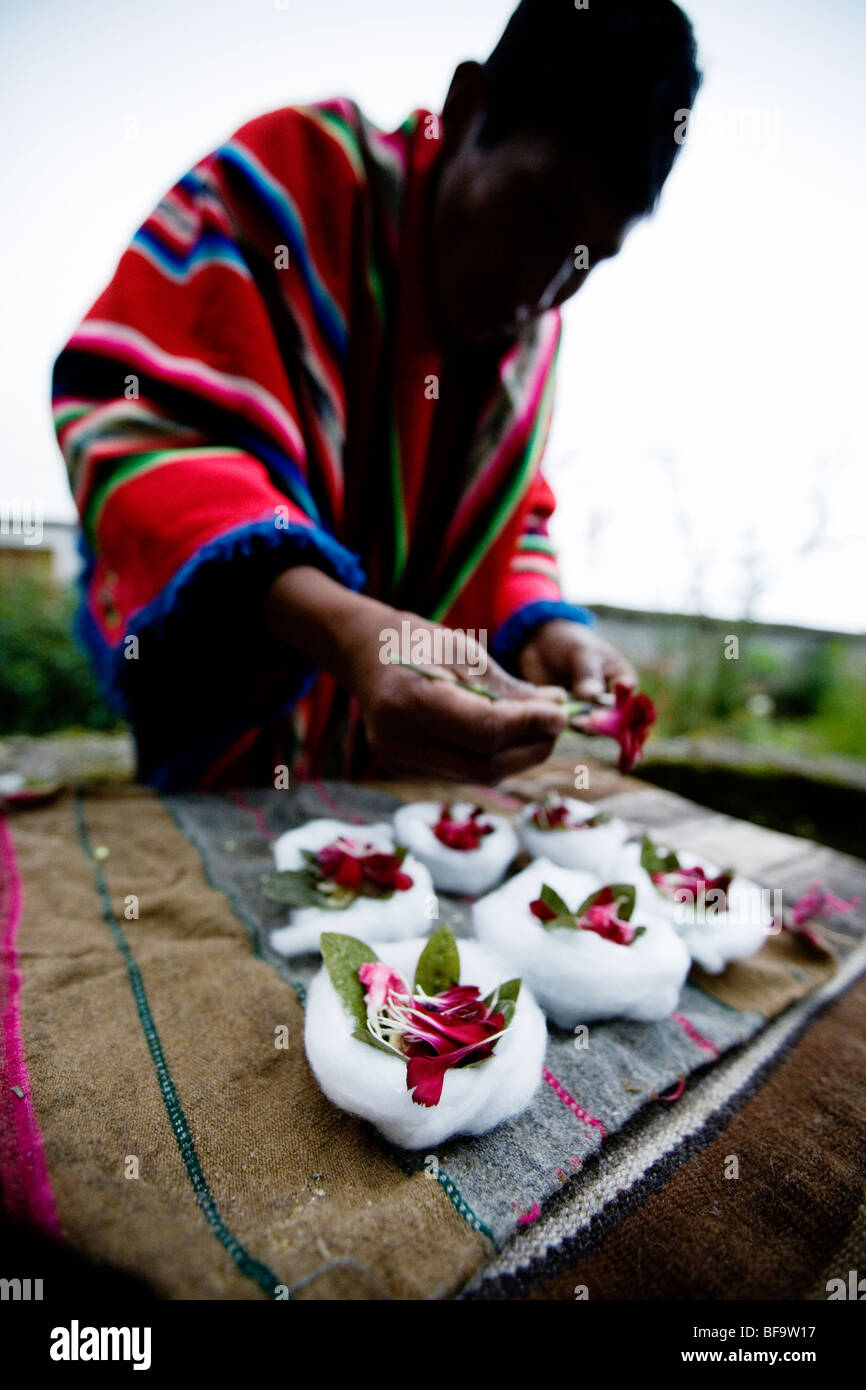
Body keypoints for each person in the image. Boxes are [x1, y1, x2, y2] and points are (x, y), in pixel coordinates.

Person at [51, 0, 701, 790]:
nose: (545, 289)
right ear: (466, 113)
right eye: (536, 212)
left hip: (386, 778)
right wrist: (349, 631)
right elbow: (144, 424)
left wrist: (545, 625)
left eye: (588, 258)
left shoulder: (529, 336)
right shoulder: (295, 188)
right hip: (232, 740)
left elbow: (512, 516)